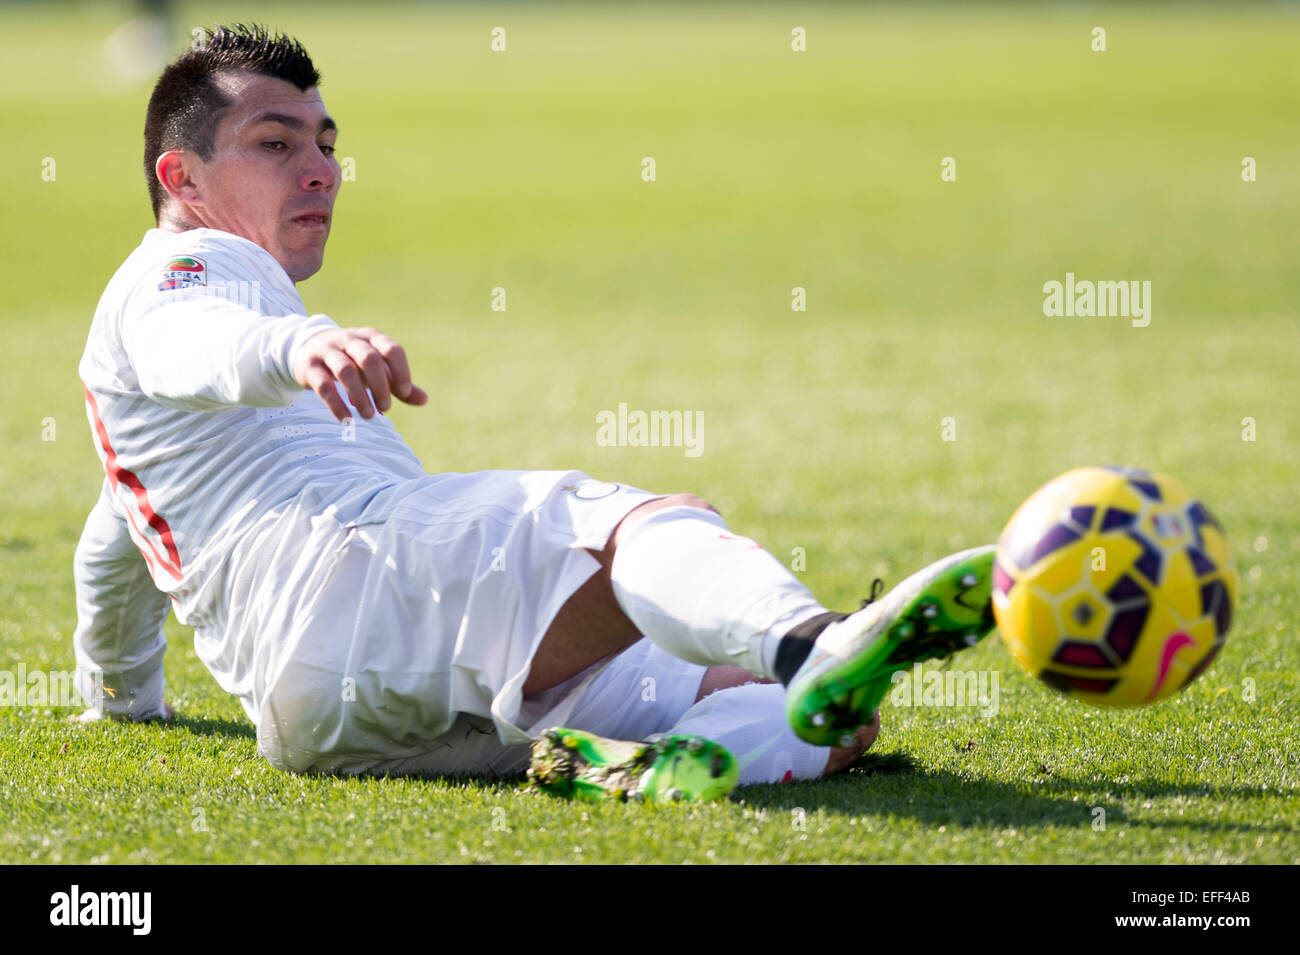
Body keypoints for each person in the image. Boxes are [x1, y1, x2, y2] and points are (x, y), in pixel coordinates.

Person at [73, 24, 996, 804]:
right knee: (636, 524)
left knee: (835, 722)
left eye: (325, 141)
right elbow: (189, 338)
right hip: (362, 582)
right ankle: (813, 638)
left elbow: (114, 547)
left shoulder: (153, 410)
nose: (320, 169)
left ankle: (656, 766)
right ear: (181, 178)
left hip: (326, 714)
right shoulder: (184, 272)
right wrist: (293, 349)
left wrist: (121, 701)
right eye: (276, 144)